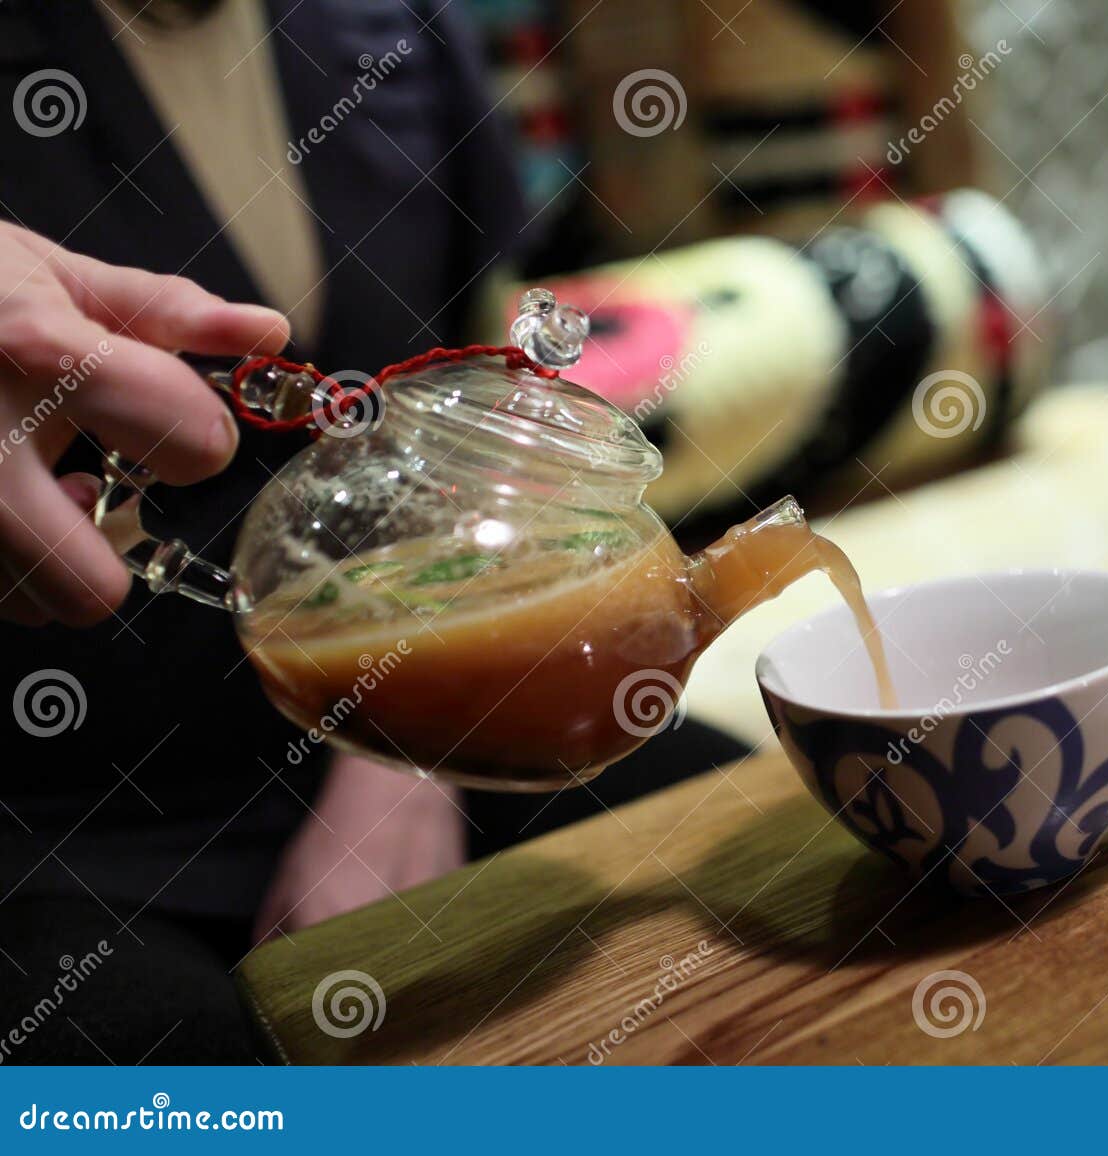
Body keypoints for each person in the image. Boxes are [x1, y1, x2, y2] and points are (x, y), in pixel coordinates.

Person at [0, 0, 745, 1063]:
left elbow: (452, 380)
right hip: (70, 834)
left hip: (414, 714)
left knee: (745, 841)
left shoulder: (389, 23)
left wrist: (405, 755)